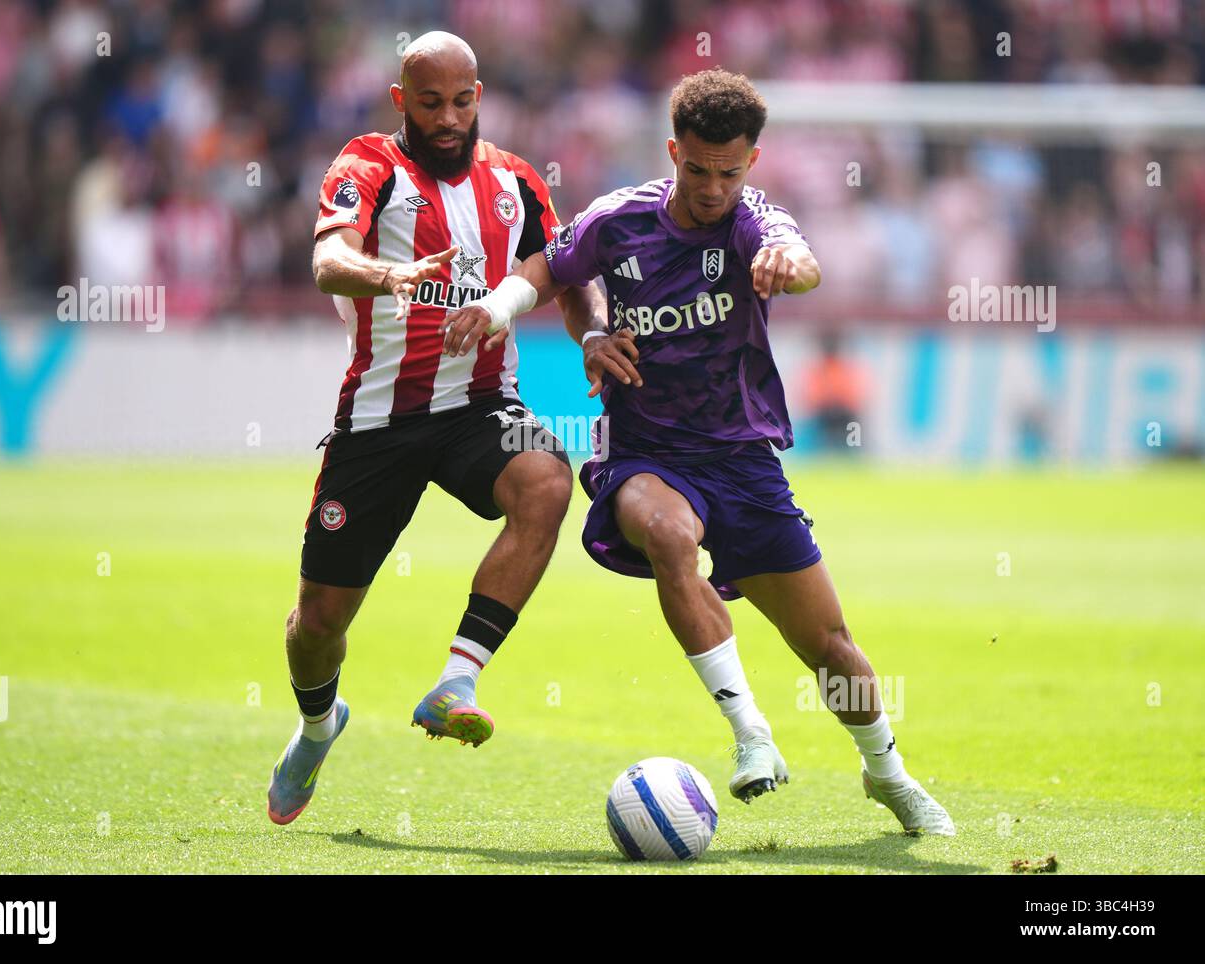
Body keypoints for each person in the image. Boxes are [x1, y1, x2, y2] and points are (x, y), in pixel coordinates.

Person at [441, 69, 954, 834]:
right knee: (673, 539)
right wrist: (501, 305)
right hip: (641, 449)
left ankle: (887, 771)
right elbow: (549, 268)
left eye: (731, 173)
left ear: (752, 161)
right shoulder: (620, 221)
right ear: (673, 151)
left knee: (830, 646)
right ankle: (752, 738)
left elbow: (799, 257)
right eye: (699, 170)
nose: (714, 189)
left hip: (741, 458)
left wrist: (791, 267)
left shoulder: (755, 222)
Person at [268, 32, 606, 826]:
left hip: (481, 407)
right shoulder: (367, 165)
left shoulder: (517, 181)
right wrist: (390, 273)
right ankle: (318, 727)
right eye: (430, 103)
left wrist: (591, 334)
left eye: (461, 101)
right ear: (400, 101)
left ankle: (457, 679)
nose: (448, 118)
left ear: (479, 94)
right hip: (379, 422)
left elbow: (561, 271)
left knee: (550, 478)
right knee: (318, 623)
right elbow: (327, 260)